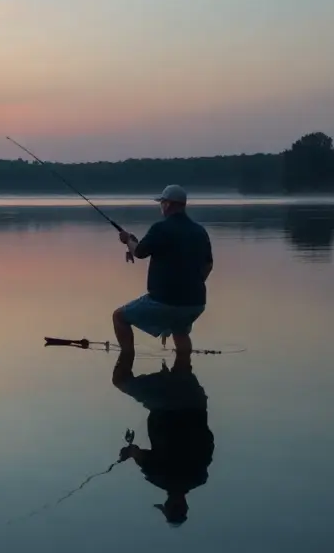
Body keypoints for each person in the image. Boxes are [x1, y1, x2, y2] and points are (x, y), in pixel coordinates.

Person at [112, 350, 215, 527]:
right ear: (169, 505)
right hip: (165, 403)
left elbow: (209, 440)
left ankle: (179, 330)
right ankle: (126, 347)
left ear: (185, 505)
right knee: (120, 380)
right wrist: (127, 453)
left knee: (182, 361)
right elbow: (135, 452)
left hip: (195, 400)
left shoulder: (200, 476)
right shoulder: (157, 477)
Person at [114, 185, 213, 355]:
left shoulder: (160, 228)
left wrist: (127, 240)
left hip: (164, 301)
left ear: (168, 205)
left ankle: (126, 360)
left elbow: (138, 252)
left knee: (119, 317)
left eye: (162, 203)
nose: (161, 207)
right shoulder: (199, 231)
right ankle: (183, 370)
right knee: (180, 331)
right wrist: (193, 284)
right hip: (196, 302)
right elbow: (208, 265)